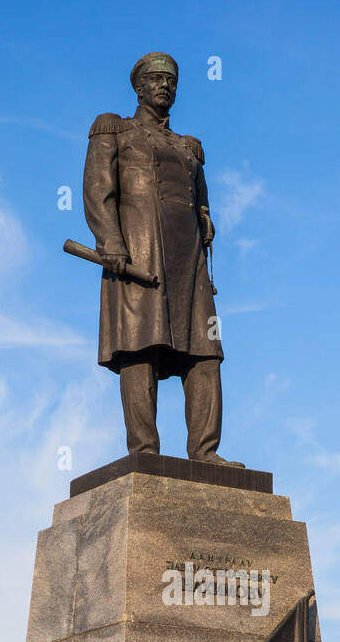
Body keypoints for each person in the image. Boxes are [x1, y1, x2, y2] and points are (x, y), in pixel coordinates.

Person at [83, 51, 241, 465]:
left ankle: (205, 452)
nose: (165, 86)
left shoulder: (188, 147)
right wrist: (111, 242)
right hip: (140, 253)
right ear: (139, 87)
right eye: (155, 80)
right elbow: (99, 192)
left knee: (205, 353)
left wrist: (205, 221)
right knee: (140, 349)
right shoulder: (114, 130)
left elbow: (201, 202)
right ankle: (145, 451)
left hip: (188, 264)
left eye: (170, 81)